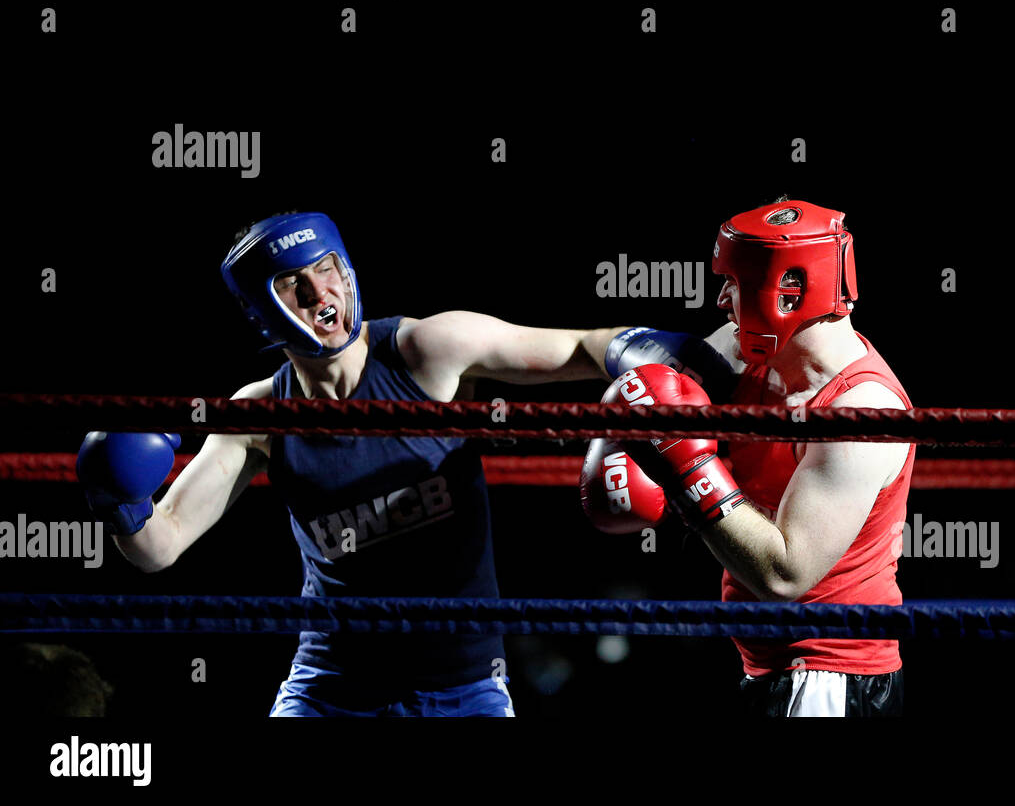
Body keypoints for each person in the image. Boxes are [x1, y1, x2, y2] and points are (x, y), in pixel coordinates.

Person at [77, 210, 623, 717]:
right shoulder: (259, 414)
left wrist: (651, 357)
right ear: (260, 310)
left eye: (326, 268)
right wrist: (120, 498)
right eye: (294, 283)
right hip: (328, 685)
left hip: (466, 684)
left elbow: (584, 345)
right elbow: (159, 546)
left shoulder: (427, 351)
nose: (321, 293)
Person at [581, 199, 914, 717]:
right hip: (766, 665)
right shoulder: (748, 357)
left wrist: (686, 471)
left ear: (785, 292)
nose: (721, 300)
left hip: (828, 678)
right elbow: (587, 348)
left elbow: (786, 574)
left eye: (733, 283)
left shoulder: (862, 411)